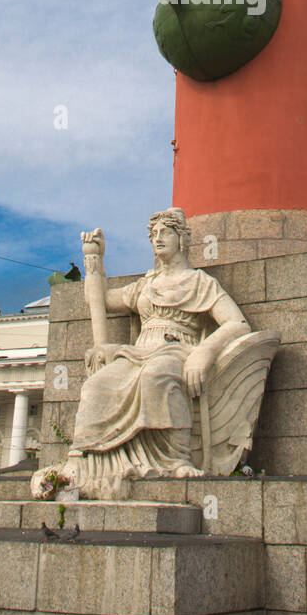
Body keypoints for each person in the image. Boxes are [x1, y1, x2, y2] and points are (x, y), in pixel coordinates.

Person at [62, 208, 250, 491]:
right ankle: (90, 462)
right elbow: (98, 300)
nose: (157, 239)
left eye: (165, 232)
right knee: (96, 386)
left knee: (156, 377)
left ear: (182, 239)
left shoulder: (200, 283)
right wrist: (94, 260)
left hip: (178, 350)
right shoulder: (146, 285)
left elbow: (237, 323)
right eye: (153, 234)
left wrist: (205, 352)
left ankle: (176, 460)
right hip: (139, 352)